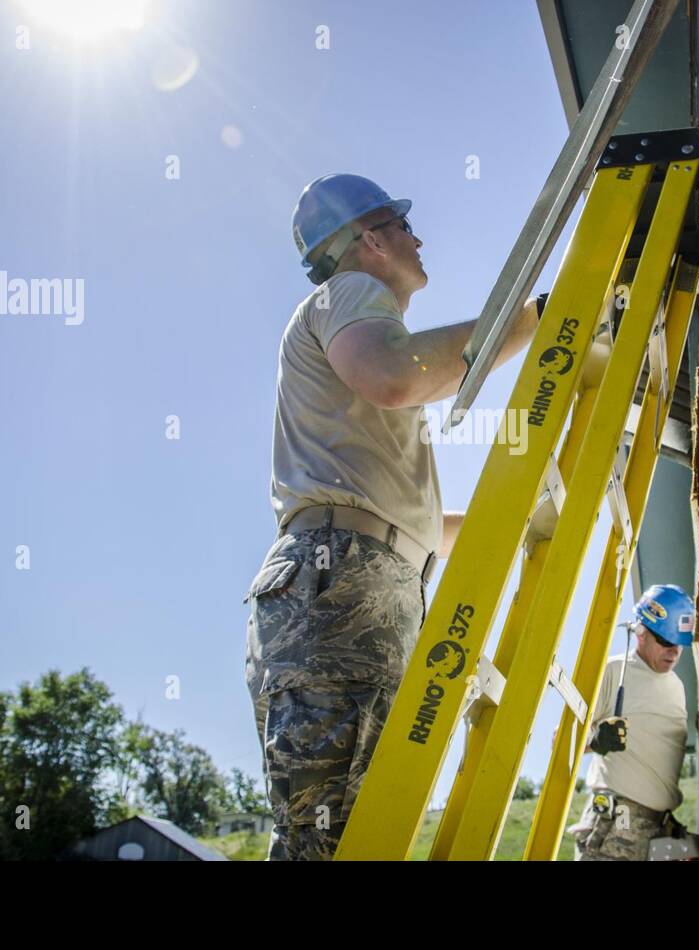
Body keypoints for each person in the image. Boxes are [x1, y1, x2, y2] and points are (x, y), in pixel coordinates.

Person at [245, 173, 543, 860]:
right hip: (339, 579)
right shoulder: (350, 294)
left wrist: (509, 517)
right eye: (403, 226)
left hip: (356, 575)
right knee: (335, 839)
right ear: (371, 239)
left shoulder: (355, 325)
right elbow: (396, 377)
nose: (419, 236)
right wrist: (533, 321)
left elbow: (400, 521)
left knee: (347, 832)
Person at [571, 584, 694, 861]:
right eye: (665, 641)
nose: (673, 651)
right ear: (641, 633)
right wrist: (597, 741)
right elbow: (561, 741)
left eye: (679, 644)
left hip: (656, 833)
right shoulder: (615, 673)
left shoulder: (677, 687)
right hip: (616, 827)